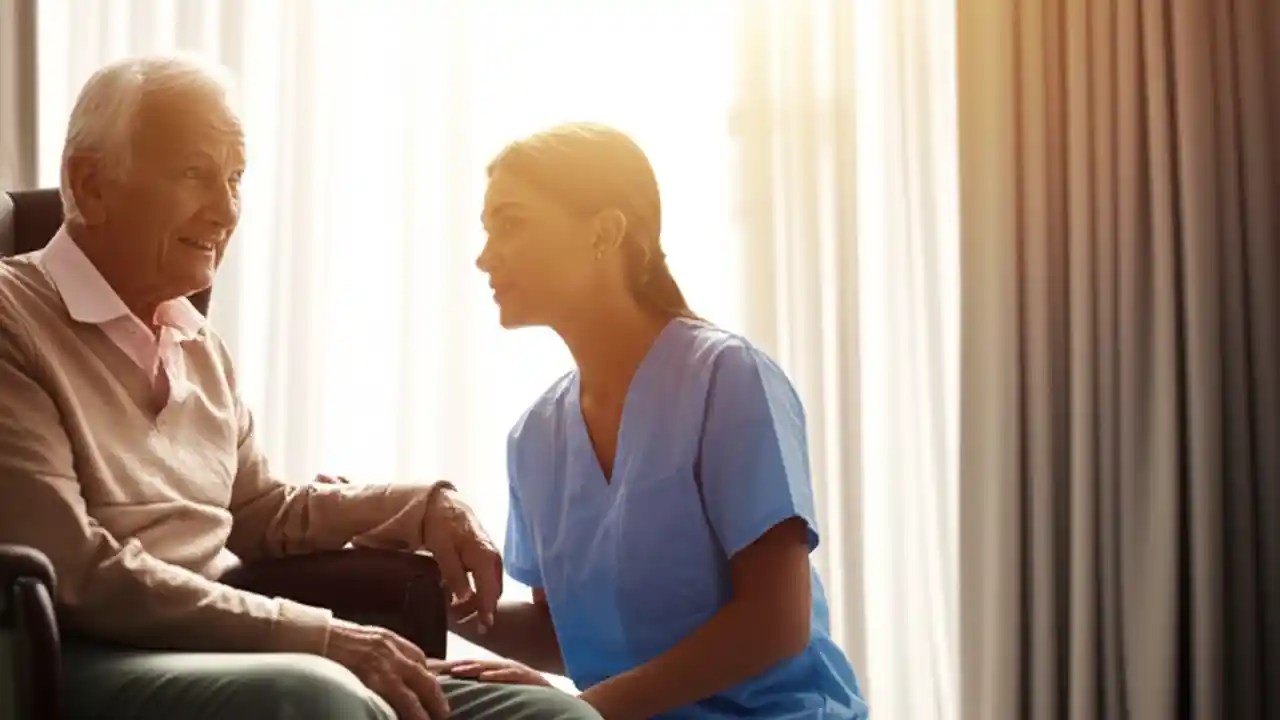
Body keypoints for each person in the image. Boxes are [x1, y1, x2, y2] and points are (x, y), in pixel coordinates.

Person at [0, 55, 599, 720]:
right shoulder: (12, 319)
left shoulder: (197, 341)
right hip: (89, 656)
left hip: (232, 652)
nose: (226, 210)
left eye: (235, 178)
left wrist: (421, 505)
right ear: (90, 183)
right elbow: (73, 569)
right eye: (195, 173)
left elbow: (261, 511)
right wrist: (323, 637)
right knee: (319, 697)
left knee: (553, 715)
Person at [449, 122, 870, 718]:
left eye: (510, 224)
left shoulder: (728, 379)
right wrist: (429, 591)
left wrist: (581, 712)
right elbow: (565, 632)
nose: (484, 256)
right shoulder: (535, 437)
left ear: (604, 232)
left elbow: (776, 621)